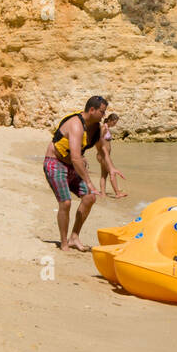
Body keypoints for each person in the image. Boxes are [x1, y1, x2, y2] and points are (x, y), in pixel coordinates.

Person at [44, 96, 107, 251]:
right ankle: (64, 242)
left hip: (70, 165)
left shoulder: (95, 128)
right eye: (102, 112)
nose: (104, 116)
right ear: (92, 110)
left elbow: (102, 151)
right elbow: (76, 157)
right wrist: (89, 182)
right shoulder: (76, 124)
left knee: (89, 197)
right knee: (65, 202)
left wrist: (111, 169)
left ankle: (74, 237)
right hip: (55, 163)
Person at [95, 112, 126, 198]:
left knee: (104, 175)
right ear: (109, 120)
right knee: (112, 173)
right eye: (114, 122)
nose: (115, 124)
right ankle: (117, 193)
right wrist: (104, 154)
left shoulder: (106, 128)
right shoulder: (104, 128)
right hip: (103, 155)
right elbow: (98, 142)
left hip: (104, 155)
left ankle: (103, 194)